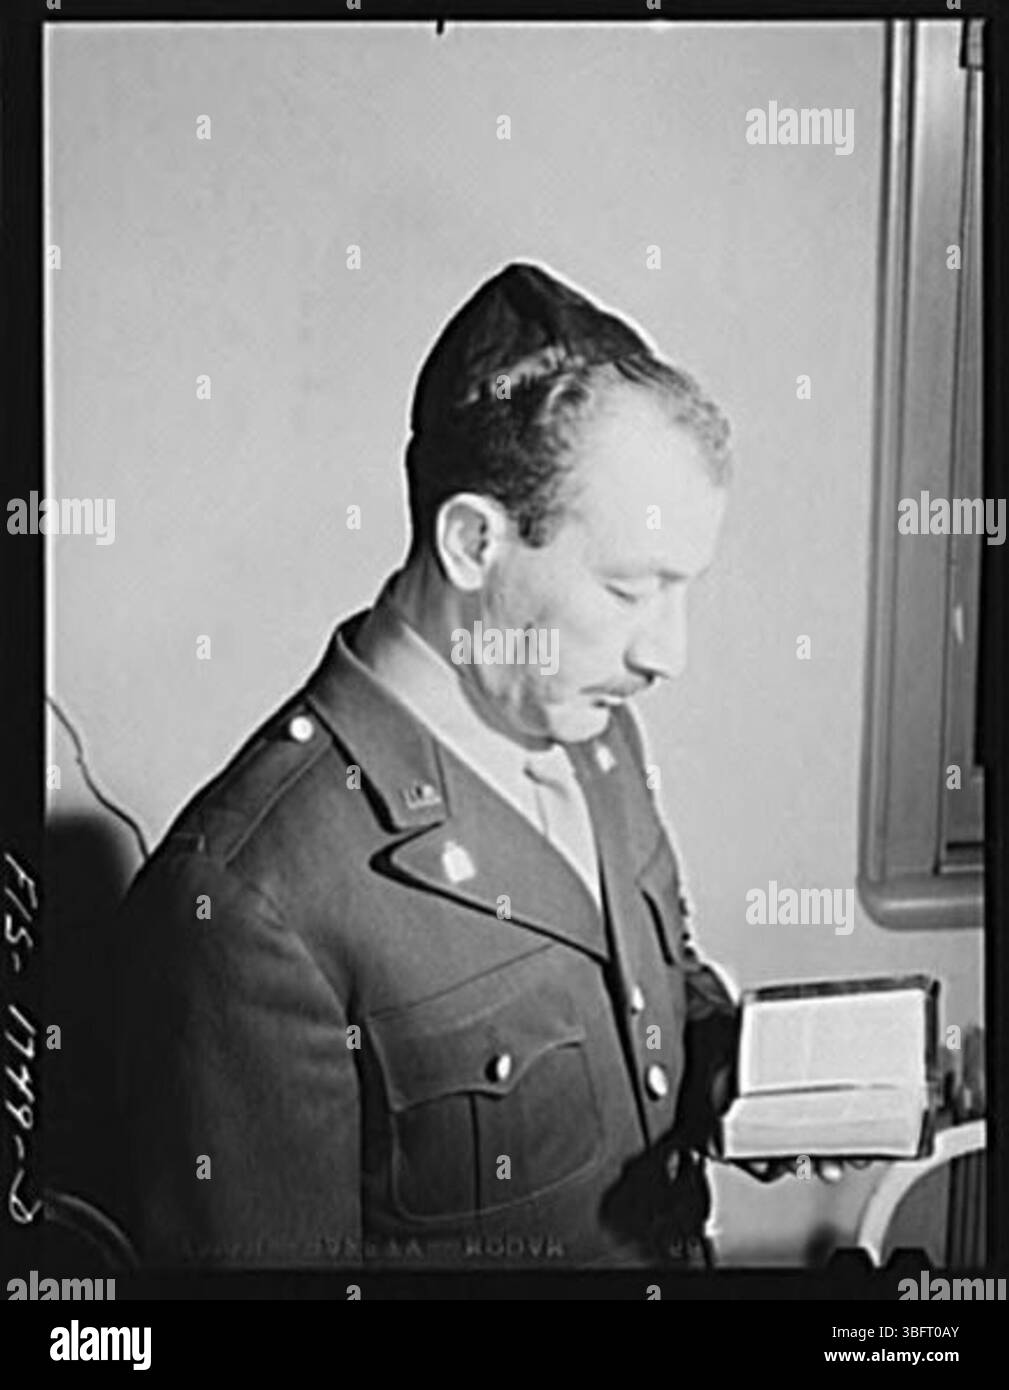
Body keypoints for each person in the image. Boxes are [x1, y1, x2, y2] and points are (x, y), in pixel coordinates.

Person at [114, 262, 746, 1269]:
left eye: (684, 591)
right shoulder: (246, 902)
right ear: (471, 542)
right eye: (631, 590)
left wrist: (756, 1067)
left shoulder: (592, 723)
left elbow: (640, 979)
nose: (667, 652)